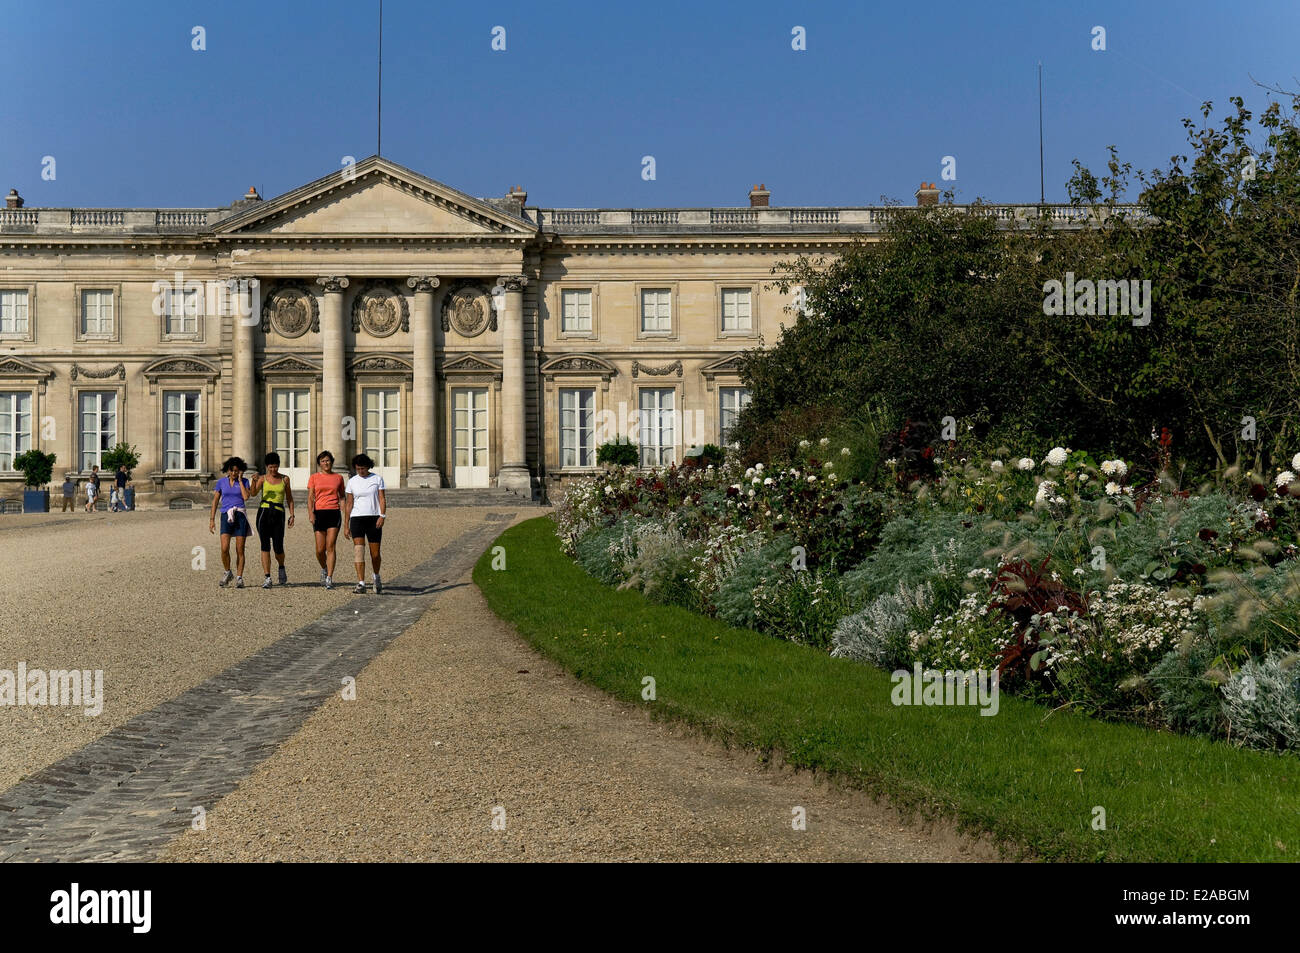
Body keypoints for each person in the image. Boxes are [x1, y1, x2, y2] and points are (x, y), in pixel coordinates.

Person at [250, 452, 295, 589]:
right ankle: (267, 577)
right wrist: (254, 481)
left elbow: (289, 498)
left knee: (278, 547)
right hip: (264, 512)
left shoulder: (285, 479)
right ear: (267, 467)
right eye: (270, 467)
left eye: (275, 467)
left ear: (278, 466)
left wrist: (292, 515)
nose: (273, 470)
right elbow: (253, 493)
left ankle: (281, 567)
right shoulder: (262, 479)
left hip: (278, 513)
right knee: (265, 546)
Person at [343, 453, 386, 594]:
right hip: (357, 518)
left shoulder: (377, 479)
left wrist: (382, 515)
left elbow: (382, 498)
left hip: (373, 518)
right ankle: (361, 583)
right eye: (358, 468)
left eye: (363, 468)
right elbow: (349, 503)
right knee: (359, 551)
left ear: (368, 466)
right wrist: (346, 524)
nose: (360, 471)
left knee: (375, 554)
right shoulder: (352, 481)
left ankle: (376, 576)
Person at [208, 457, 252, 588]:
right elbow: (215, 501)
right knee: (224, 548)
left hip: (240, 515)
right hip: (226, 515)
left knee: (240, 549)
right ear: (228, 470)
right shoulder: (221, 482)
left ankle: (239, 577)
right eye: (232, 471)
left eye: (237, 471)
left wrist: (240, 481)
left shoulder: (244, 481)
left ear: (240, 471)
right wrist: (211, 520)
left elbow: (246, 497)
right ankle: (228, 572)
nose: (234, 473)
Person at [306, 450, 345, 590]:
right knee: (319, 549)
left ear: (332, 462)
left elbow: (342, 496)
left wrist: (344, 511)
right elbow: (310, 497)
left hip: (333, 513)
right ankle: (323, 567)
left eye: (328, 460)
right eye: (323, 461)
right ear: (319, 464)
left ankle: (329, 577)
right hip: (319, 513)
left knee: (331, 546)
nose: (326, 463)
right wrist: (311, 513)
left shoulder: (339, 477)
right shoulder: (314, 477)